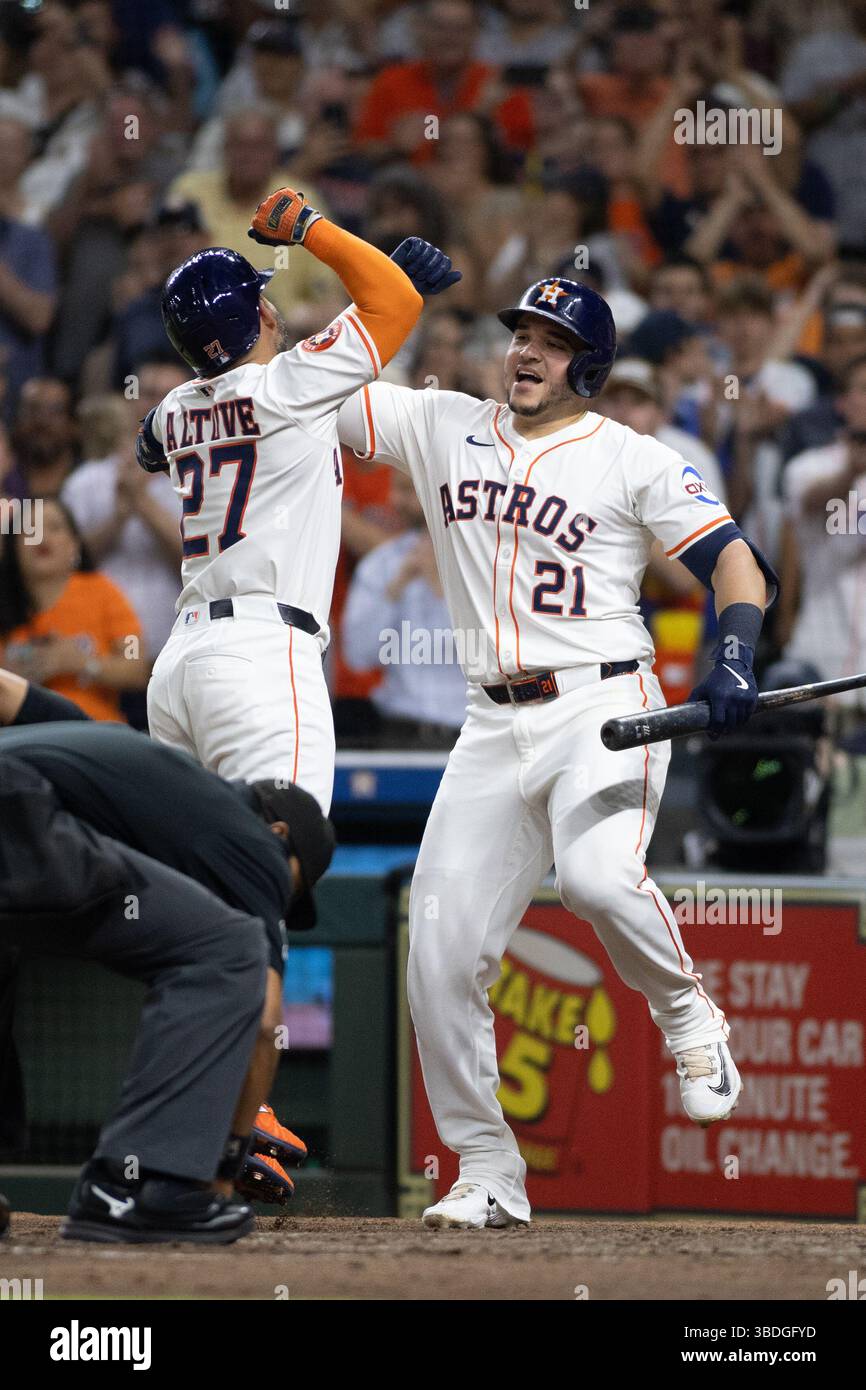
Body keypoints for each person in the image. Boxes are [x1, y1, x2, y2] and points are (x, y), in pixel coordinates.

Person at [337, 272, 777, 1230]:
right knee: (440, 952)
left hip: (602, 706)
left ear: (593, 365)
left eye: (555, 339)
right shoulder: (442, 422)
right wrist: (381, 288)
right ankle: (488, 1169)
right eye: (522, 334)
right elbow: (320, 392)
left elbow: (736, 562)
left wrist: (733, 656)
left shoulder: (630, 457)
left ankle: (689, 1016)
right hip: (490, 721)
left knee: (595, 878)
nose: (528, 352)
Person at [143, 187, 445, 813]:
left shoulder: (172, 412)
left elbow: (149, 442)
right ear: (263, 318)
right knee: (285, 850)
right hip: (261, 653)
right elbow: (392, 306)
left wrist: (380, 296)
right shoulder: (288, 386)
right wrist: (310, 227)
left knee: (196, 872)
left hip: (178, 667)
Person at [0, 666, 335, 1222]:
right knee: (231, 950)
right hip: (19, 811)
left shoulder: (102, 743)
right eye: (292, 886)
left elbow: (8, 690)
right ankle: (135, 1189)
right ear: (279, 837)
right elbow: (262, 1016)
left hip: (21, 808)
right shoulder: (251, 841)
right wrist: (224, 1166)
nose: (278, 898)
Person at [342, 470, 468, 746]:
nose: (396, 500)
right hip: (399, 730)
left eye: (408, 490)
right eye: (396, 489)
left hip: (470, 731)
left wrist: (444, 593)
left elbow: (493, 654)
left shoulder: (477, 562)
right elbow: (358, 656)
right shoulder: (382, 564)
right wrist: (394, 590)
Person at [0, 495, 149, 722]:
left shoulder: (102, 591)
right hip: (23, 737)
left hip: (92, 732)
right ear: (13, 549)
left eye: (55, 527)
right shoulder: (4, 608)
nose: (42, 536)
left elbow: (136, 665)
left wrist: (83, 663)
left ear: (74, 545)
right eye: (31, 530)